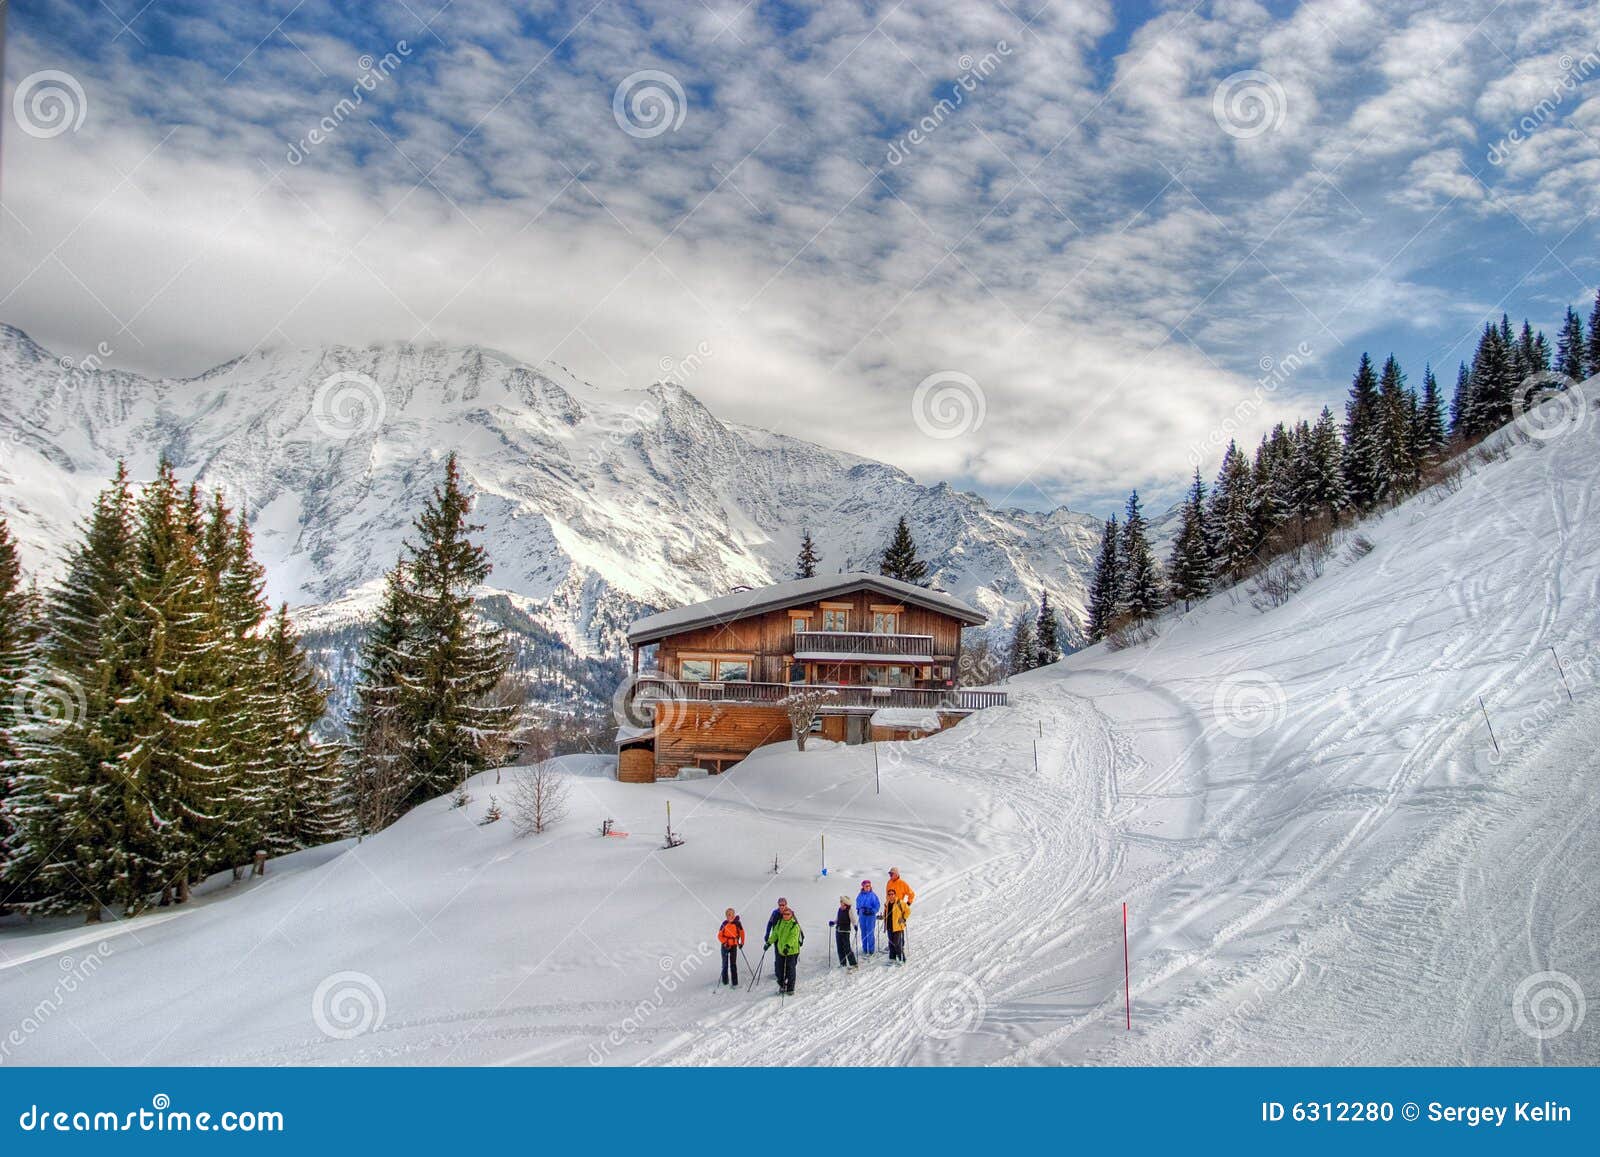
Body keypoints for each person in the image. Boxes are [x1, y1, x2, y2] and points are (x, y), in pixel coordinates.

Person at [766, 901, 804, 994]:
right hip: (781, 950)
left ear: (791, 915)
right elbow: (775, 934)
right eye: (784, 914)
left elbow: (793, 937)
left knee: (790, 969)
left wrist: (787, 946)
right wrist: (768, 943)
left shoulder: (794, 925)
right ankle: (782, 985)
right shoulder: (779, 923)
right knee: (779, 969)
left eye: (788, 914)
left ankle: (790, 988)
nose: (786, 915)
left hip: (791, 951)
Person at [717, 908, 745, 986]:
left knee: (733, 964)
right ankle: (725, 981)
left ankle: (735, 983)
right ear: (726, 916)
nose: (731, 916)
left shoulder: (737, 923)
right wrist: (725, 942)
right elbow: (719, 936)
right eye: (729, 914)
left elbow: (742, 933)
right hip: (725, 946)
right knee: (725, 964)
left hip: (734, 946)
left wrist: (742, 942)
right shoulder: (724, 924)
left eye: (732, 914)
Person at [831, 896, 858, 969]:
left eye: (841, 901)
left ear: (845, 903)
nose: (840, 902)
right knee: (839, 948)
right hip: (838, 930)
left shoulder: (849, 910)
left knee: (847, 948)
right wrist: (833, 922)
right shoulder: (839, 909)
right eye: (840, 901)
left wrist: (855, 925)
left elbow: (853, 919)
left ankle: (853, 964)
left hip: (845, 931)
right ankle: (843, 963)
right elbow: (837, 919)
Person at [855, 880, 881, 955]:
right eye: (866, 886)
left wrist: (872, 911)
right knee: (863, 932)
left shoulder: (873, 895)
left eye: (869, 886)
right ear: (863, 886)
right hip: (862, 915)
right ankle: (865, 949)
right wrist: (859, 910)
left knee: (870, 932)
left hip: (870, 915)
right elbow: (858, 903)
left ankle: (871, 949)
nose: (868, 887)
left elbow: (877, 905)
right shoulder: (860, 895)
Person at [886, 892, 911, 963]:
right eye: (889, 894)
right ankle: (892, 958)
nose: (891, 896)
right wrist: (882, 917)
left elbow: (908, 910)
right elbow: (886, 914)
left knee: (897, 943)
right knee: (891, 942)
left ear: (895, 895)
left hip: (898, 926)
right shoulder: (887, 904)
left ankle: (902, 959)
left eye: (892, 894)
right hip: (889, 926)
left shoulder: (900, 902)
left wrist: (904, 918)